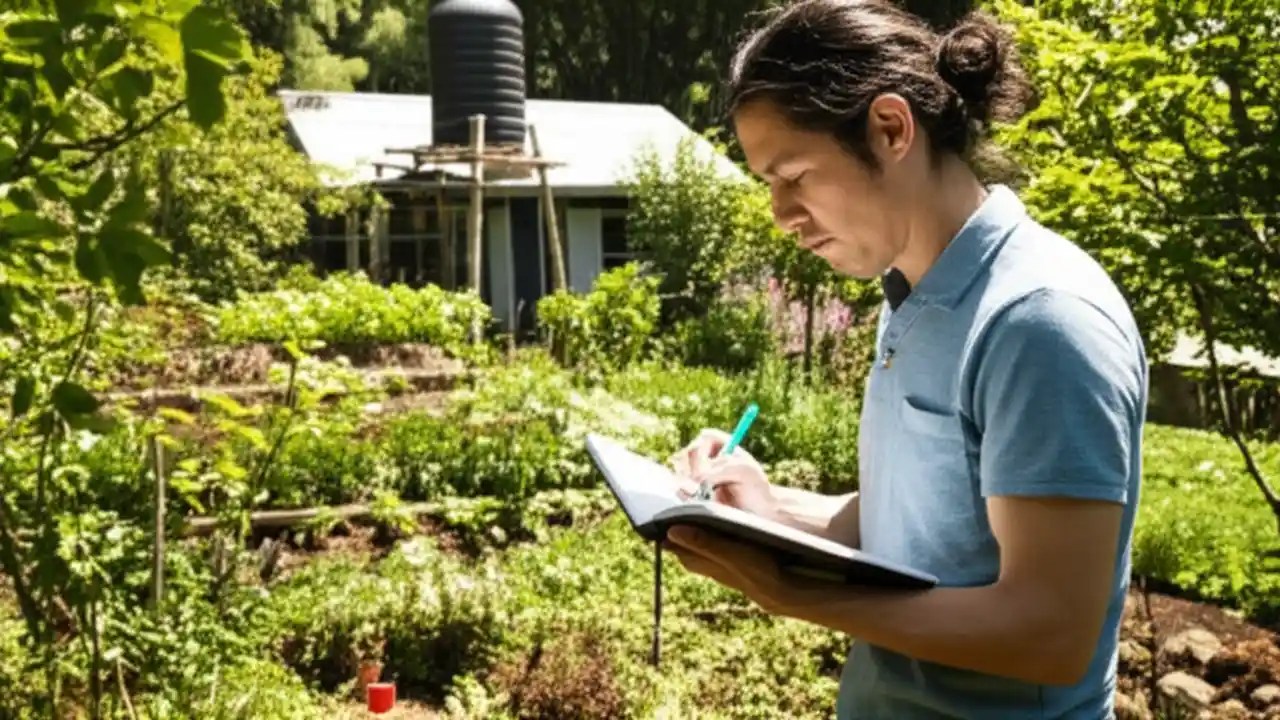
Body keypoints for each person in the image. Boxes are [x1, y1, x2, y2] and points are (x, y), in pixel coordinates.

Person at [663, 1, 1149, 718]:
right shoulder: (911, 292)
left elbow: (1050, 633)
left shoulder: (1040, 320)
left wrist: (794, 593)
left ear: (891, 129)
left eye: (793, 174)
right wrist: (766, 508)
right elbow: (928, 522)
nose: (780, 213)